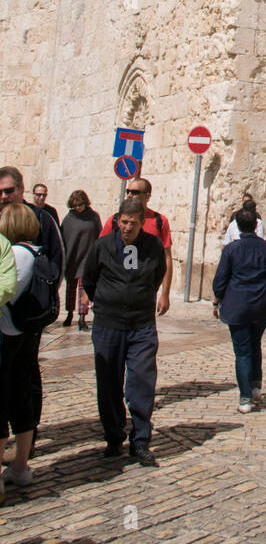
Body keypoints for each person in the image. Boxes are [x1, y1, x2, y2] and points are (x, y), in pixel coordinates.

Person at [83, 197, 167, 465]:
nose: (127, 228)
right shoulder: (104, 246)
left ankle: (140, 440)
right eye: (124, 222)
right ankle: (113, 435)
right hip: (109, 324)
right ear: (117, 220)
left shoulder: (151, 246)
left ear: (142, 223)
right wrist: (109, 302)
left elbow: (157, 275)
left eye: (133, 223)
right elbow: (90, 279)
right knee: (108, 382)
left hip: (141, 325)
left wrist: (139, 298)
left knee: (142, 381)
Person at [0, 165, 64, 458]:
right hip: (8, 318)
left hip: (26, 316)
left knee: (25, 376)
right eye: (0, 192)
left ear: (21, 189)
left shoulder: (40, 218)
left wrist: (43, 303)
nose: (3, 196)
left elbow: (56, 263)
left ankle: (29, 434)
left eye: (8, 190)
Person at [212, 208, 266, 412]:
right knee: (255, 344)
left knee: (242, 351)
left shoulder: (231, 250)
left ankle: (245, 397)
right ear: (257, 224)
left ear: (238, 226)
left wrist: (216, 301)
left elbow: (220, 281)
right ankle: (256, 387)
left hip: (237, 305)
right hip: (261, 304)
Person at [0, 205, 44, 498]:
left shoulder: (14, 255)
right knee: (21, 397)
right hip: (29, 334)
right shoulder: (40, 253)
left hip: (7, 335)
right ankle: (21, 466)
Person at [99, 177, 172, 316]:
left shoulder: (160, 221)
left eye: (135, 192)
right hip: (114, 293)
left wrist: (164, 294)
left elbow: (167, 259)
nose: (130, 195)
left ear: (147, 196)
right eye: (128, 191)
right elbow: (99, 253)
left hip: (143, 296)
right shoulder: (115, 220)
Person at [60, 191, 102, 329]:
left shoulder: (93, 217)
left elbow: (99, 236)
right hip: (72, 257)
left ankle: (82, 317)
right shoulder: (69, 219)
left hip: (87, 258)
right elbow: (64, 237)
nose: (78, 207)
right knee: (70, 287)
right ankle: (69, 314)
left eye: (80, 204)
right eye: (75, 205)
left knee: (84, 288)